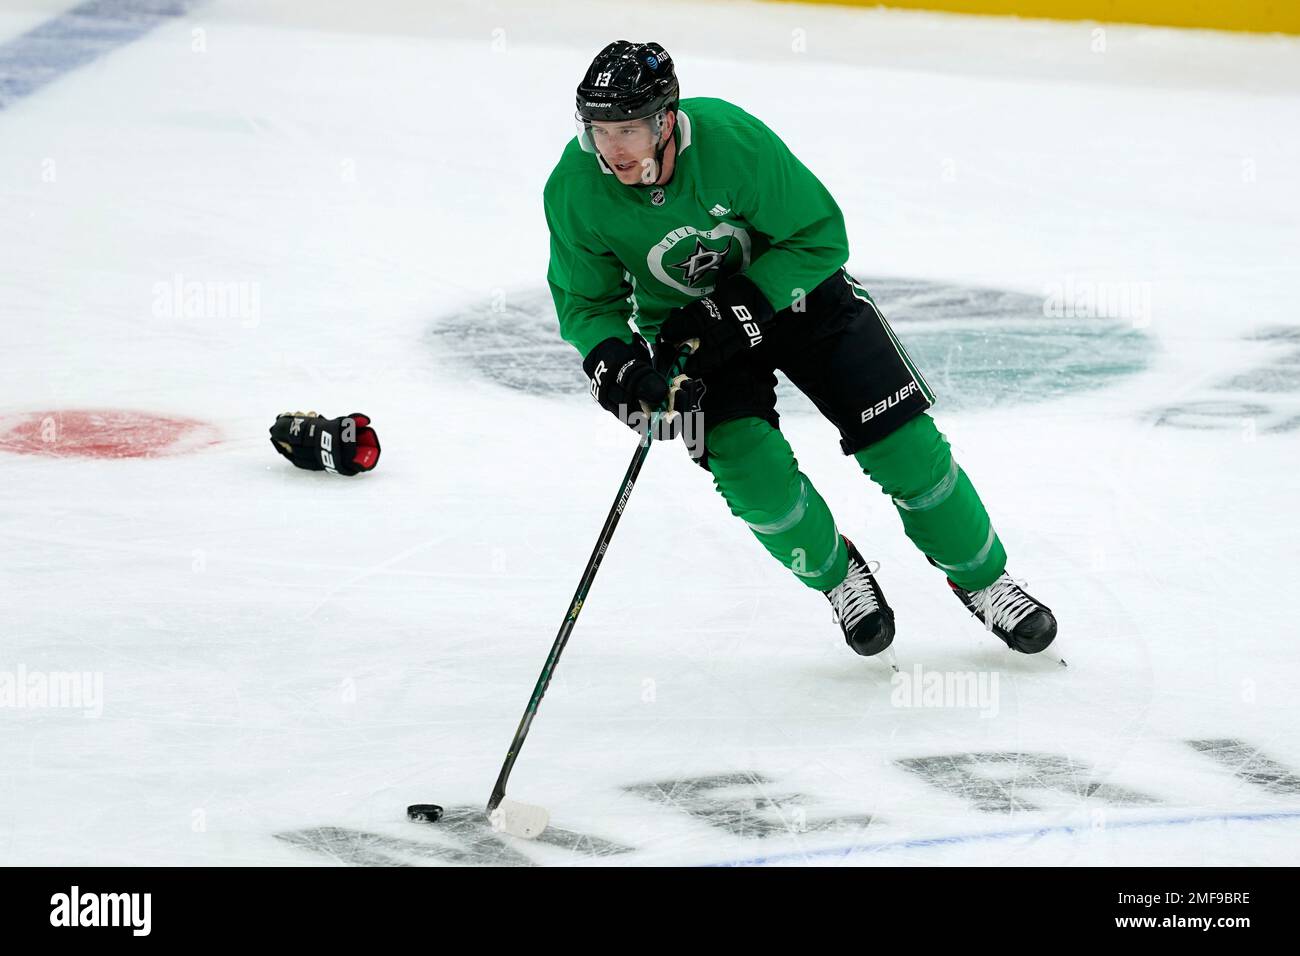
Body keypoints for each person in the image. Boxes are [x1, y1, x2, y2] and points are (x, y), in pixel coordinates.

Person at [543, 40, 1056, 658]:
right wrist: (615, 361)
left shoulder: (734, 142)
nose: (613, 149)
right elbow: (586, 302)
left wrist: (741, 304)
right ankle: (841, 582)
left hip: (802, 300)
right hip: (692, 337)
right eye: (599, 131)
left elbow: (818, 237)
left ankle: (987, 581)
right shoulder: (574, 189)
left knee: (904, 446)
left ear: (666, 119)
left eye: (627, 129)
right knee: (751, 477)